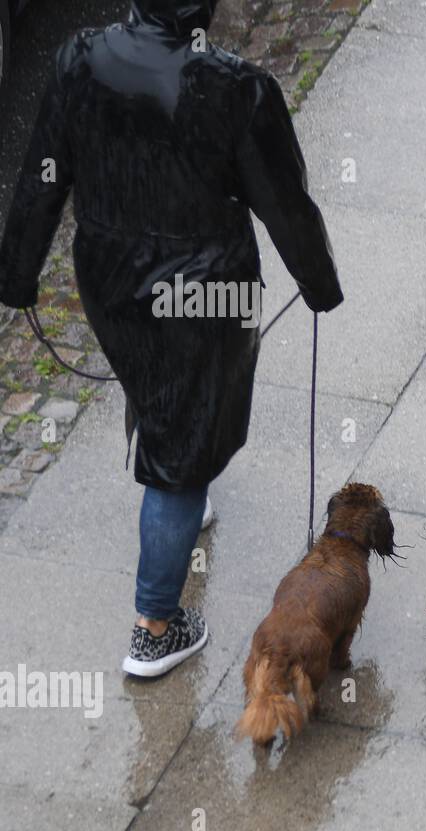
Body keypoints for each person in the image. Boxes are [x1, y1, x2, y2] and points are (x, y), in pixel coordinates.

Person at [0, 0, 343, 677]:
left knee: (157, 387)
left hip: (108, 277)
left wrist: (16, 273)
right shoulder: (237, 87)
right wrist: (319, 283)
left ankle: (177, 474)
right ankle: (155, 626)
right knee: (184, 452)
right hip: (204, 289)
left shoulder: (79, 59)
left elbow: (43, 173)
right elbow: (284, 202)